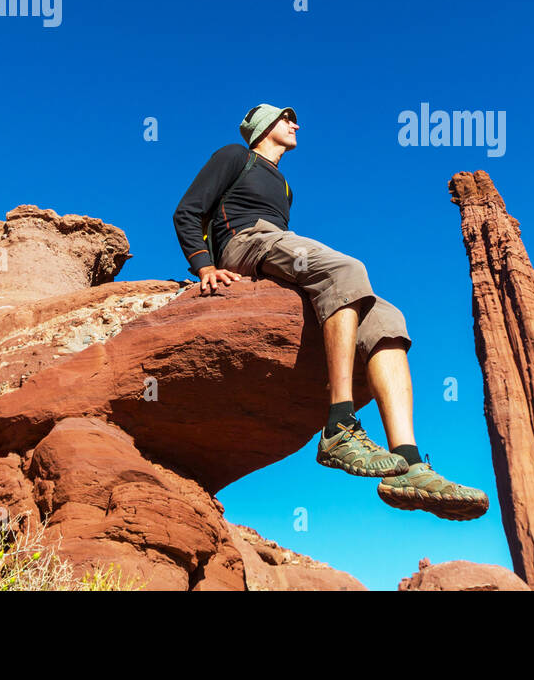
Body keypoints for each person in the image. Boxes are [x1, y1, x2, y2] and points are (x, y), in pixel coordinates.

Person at [172, 103, 488, 521]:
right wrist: (204, 266)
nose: (295, 124)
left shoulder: (284, 186)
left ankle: (409, 464)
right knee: (347, 269)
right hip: (245, 242)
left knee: (387, 319)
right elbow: (189, 210)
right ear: (264, 127)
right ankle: (340, 425)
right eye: (286, 119)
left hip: (278, 247)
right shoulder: (235, 155)